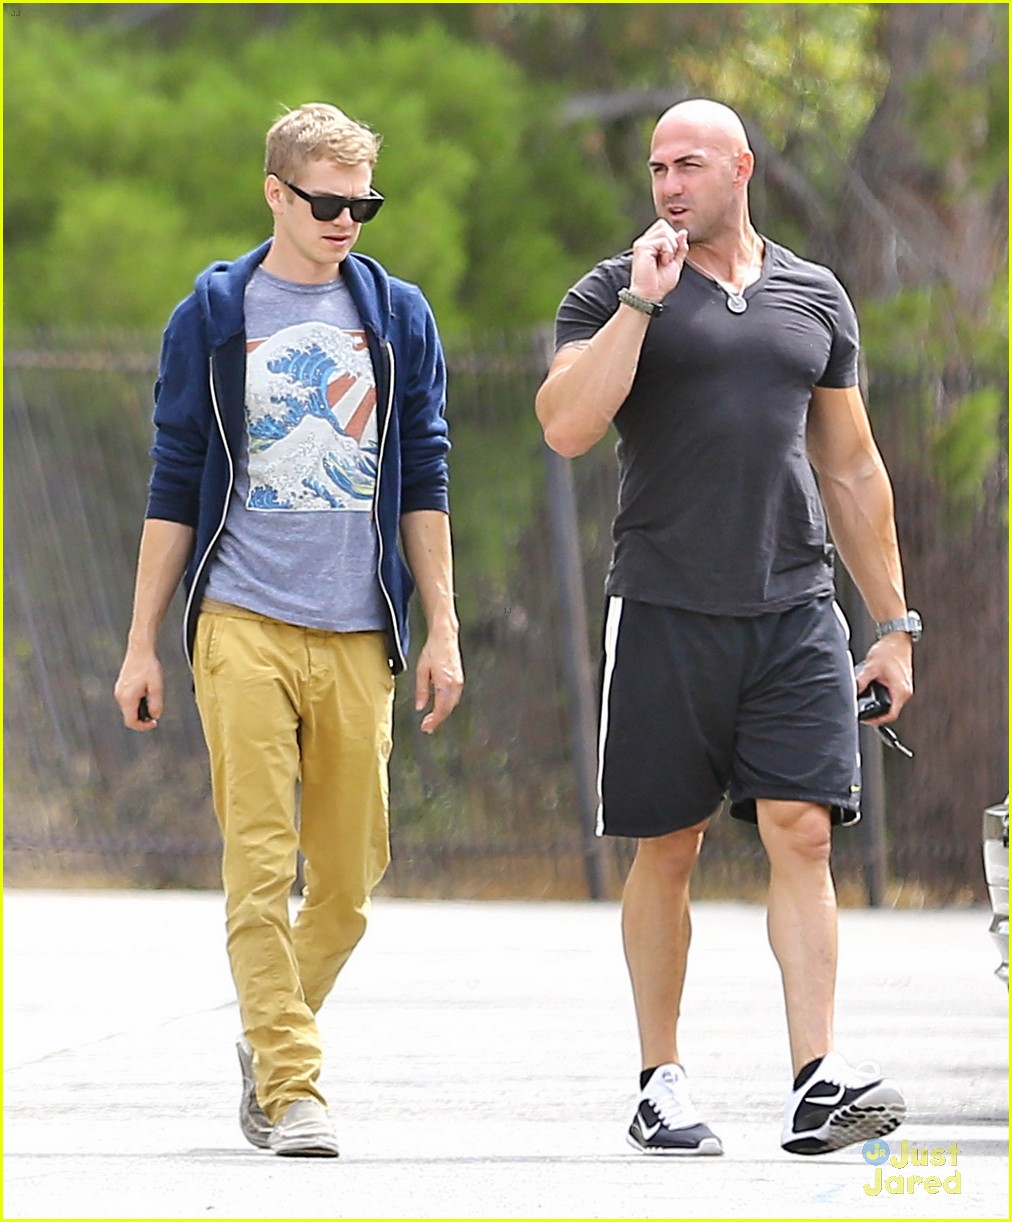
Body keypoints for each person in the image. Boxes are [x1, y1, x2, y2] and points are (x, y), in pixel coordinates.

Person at [535, 98, 917, 1158]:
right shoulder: (613, 289)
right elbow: (565, 424)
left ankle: (815, 1080)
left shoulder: (815, 296)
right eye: (657, 166)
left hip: (795, 607)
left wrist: (890, 624)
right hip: (662, 605)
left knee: (801, 829)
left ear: (740, 167)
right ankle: (659, 1077)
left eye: (689, 164)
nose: (668, 184)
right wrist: (642, 309)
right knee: (669, 846)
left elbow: (850, 465)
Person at [114, 103, 463, 1158]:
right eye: (327, 200)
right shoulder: (215, 314)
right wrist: (141, 642)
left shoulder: (396, 316)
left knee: (351, 881)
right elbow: (175, 482)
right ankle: (294, 1086)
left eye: (364, 201)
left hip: (360, 628)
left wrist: (441, 624)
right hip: (241, 621)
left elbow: (425, 476)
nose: (347, 218)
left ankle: (268, 1038)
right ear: (276, 192)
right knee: (259, 864)